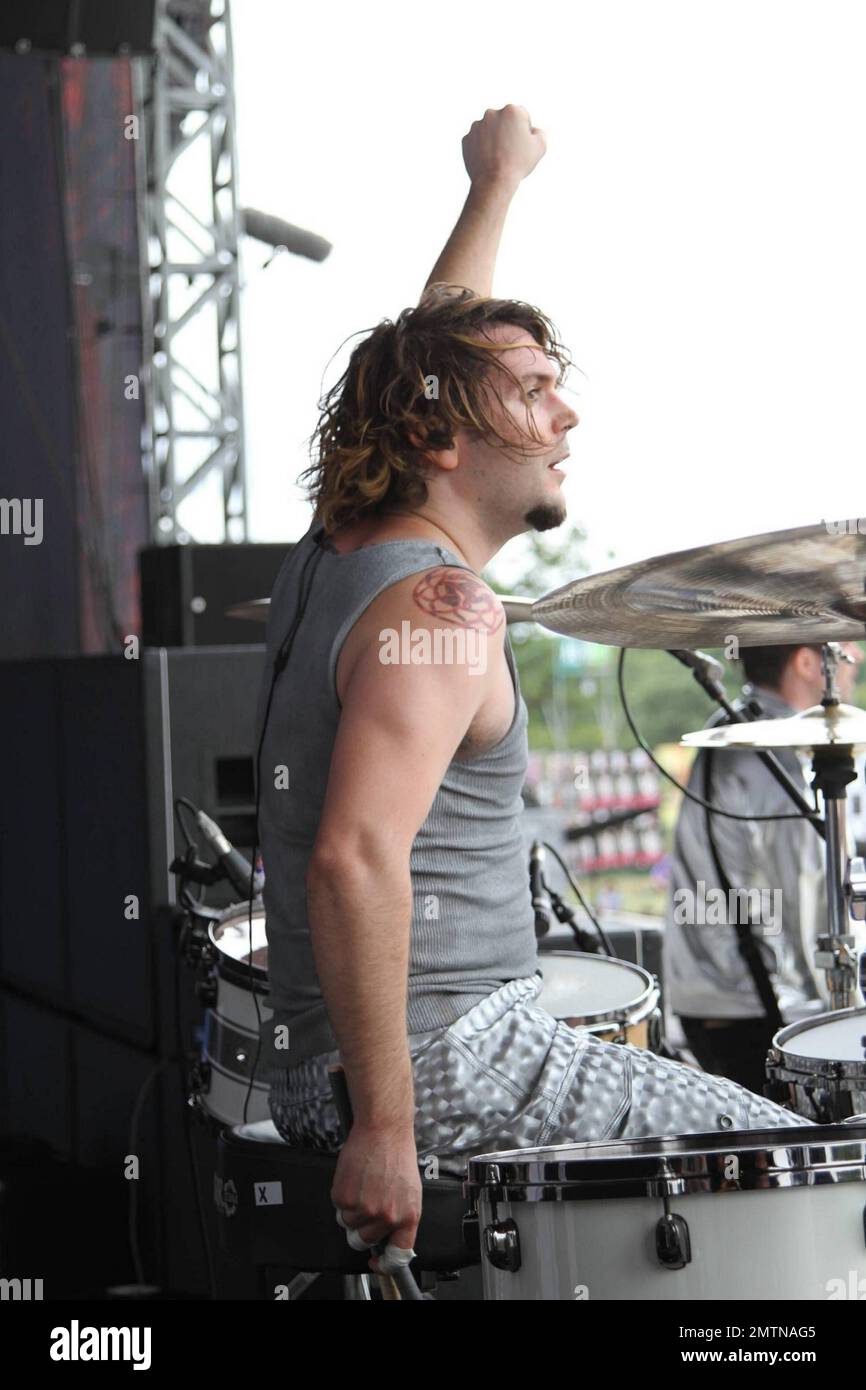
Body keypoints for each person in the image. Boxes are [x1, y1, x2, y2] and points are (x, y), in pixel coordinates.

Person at [255, 106, 814, 1271]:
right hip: (439, 1057)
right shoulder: (436, 612)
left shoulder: (347, 551)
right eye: (535, 392)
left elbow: (425, 363)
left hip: (362, 1054)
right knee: (791, 1160)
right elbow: (352, 858)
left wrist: (494, 186)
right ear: (446, 441)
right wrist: (388, 1130)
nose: (566, 415)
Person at [665, 641, 864, 1092]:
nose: (856, 666)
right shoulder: (773, 752)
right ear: (809, 662)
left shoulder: (736, 728)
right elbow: (804, 900)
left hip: (712, 992)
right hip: (751, 1005)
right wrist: (844, 1003)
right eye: (847, 657)